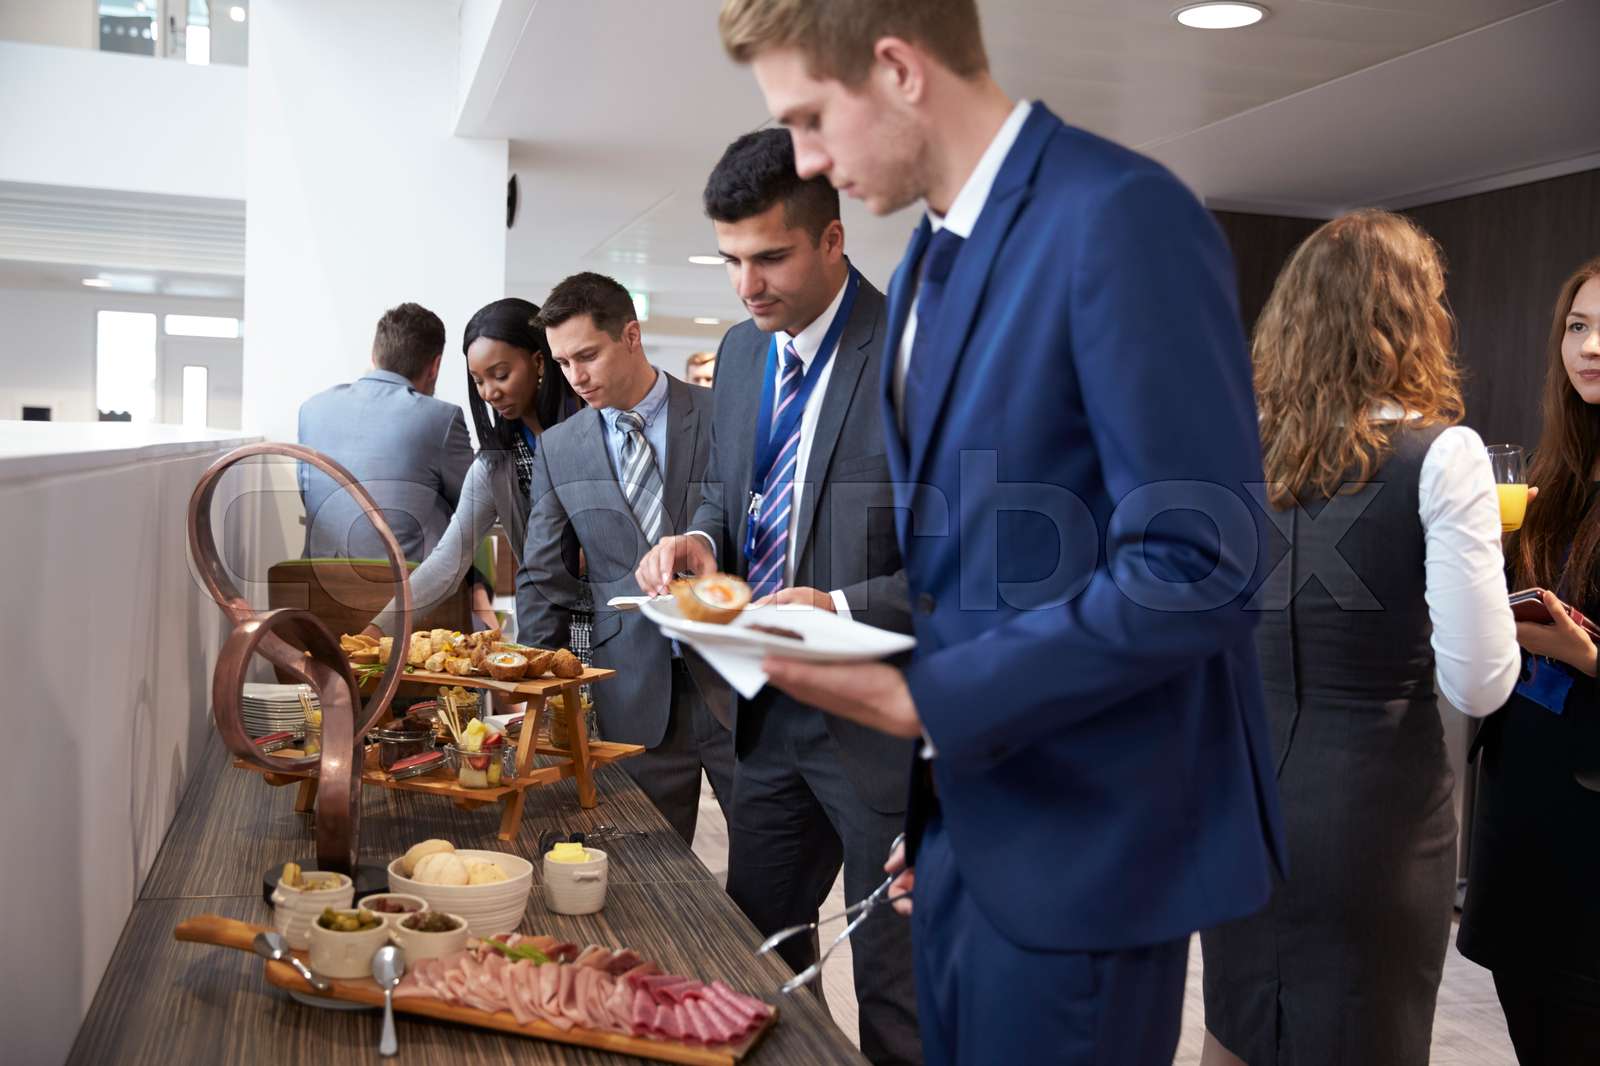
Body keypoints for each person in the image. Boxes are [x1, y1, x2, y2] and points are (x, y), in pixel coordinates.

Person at [715, 2, 1287, 1063]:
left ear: (895, 68)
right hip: (975, 824)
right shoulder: (936, 254)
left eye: (806, 119)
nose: (804, 158)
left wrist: (926, 698)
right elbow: (980, 571)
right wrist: (946, 804)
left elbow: (1201, 562)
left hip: (1089, 849)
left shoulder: (1119, 213)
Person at [1198, 211, 1521, 1066]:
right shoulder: (1444, 456)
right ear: (1413, 318)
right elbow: (1479, 683)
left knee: (1234, 1032)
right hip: (1370, 819)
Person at [634, 128, 919, 1065]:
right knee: (758, 961)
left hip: (883, 727)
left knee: (898, 991)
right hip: (762, 717)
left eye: (769, 258)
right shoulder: (744, 356)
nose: (746, 285)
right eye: (730, 261)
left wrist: (835, 608)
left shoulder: (917, 357)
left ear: (833, 241)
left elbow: (965, 566)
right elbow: (727, 493)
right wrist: (697, 541)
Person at [517, 272, 735, 846]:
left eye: (587, 355)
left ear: (631, 335)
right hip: (634, 690)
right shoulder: (561, 447)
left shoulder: (723, 415)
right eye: (562, 363)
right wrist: (530, 688)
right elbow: (543, 578)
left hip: (739, 681)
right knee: (645, 874)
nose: (575, 376)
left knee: (778, 878)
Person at [1458, 256, 1600, 1064]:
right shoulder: (1555, 473)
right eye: (1578, 326)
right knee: (1533, 1024)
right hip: (1526, 798)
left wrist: (1583, 652)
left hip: (1591, 812)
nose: (1590, 346)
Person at [366, 298, 577, 639]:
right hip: (544, 628)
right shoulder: (495, 465)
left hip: (618, 630)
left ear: (539, 361)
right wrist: (376, 631)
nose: (490, 392)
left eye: (501, 375)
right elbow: (447, 563)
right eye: (478, 381)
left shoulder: (596, 433)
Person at [298, 302, 473, 562]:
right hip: (406, 589)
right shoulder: (441, 418)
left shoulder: (311, 409)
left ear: (374, 356)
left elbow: (307, 493)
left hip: (318, 582)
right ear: (435, 366)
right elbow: (474, 499)